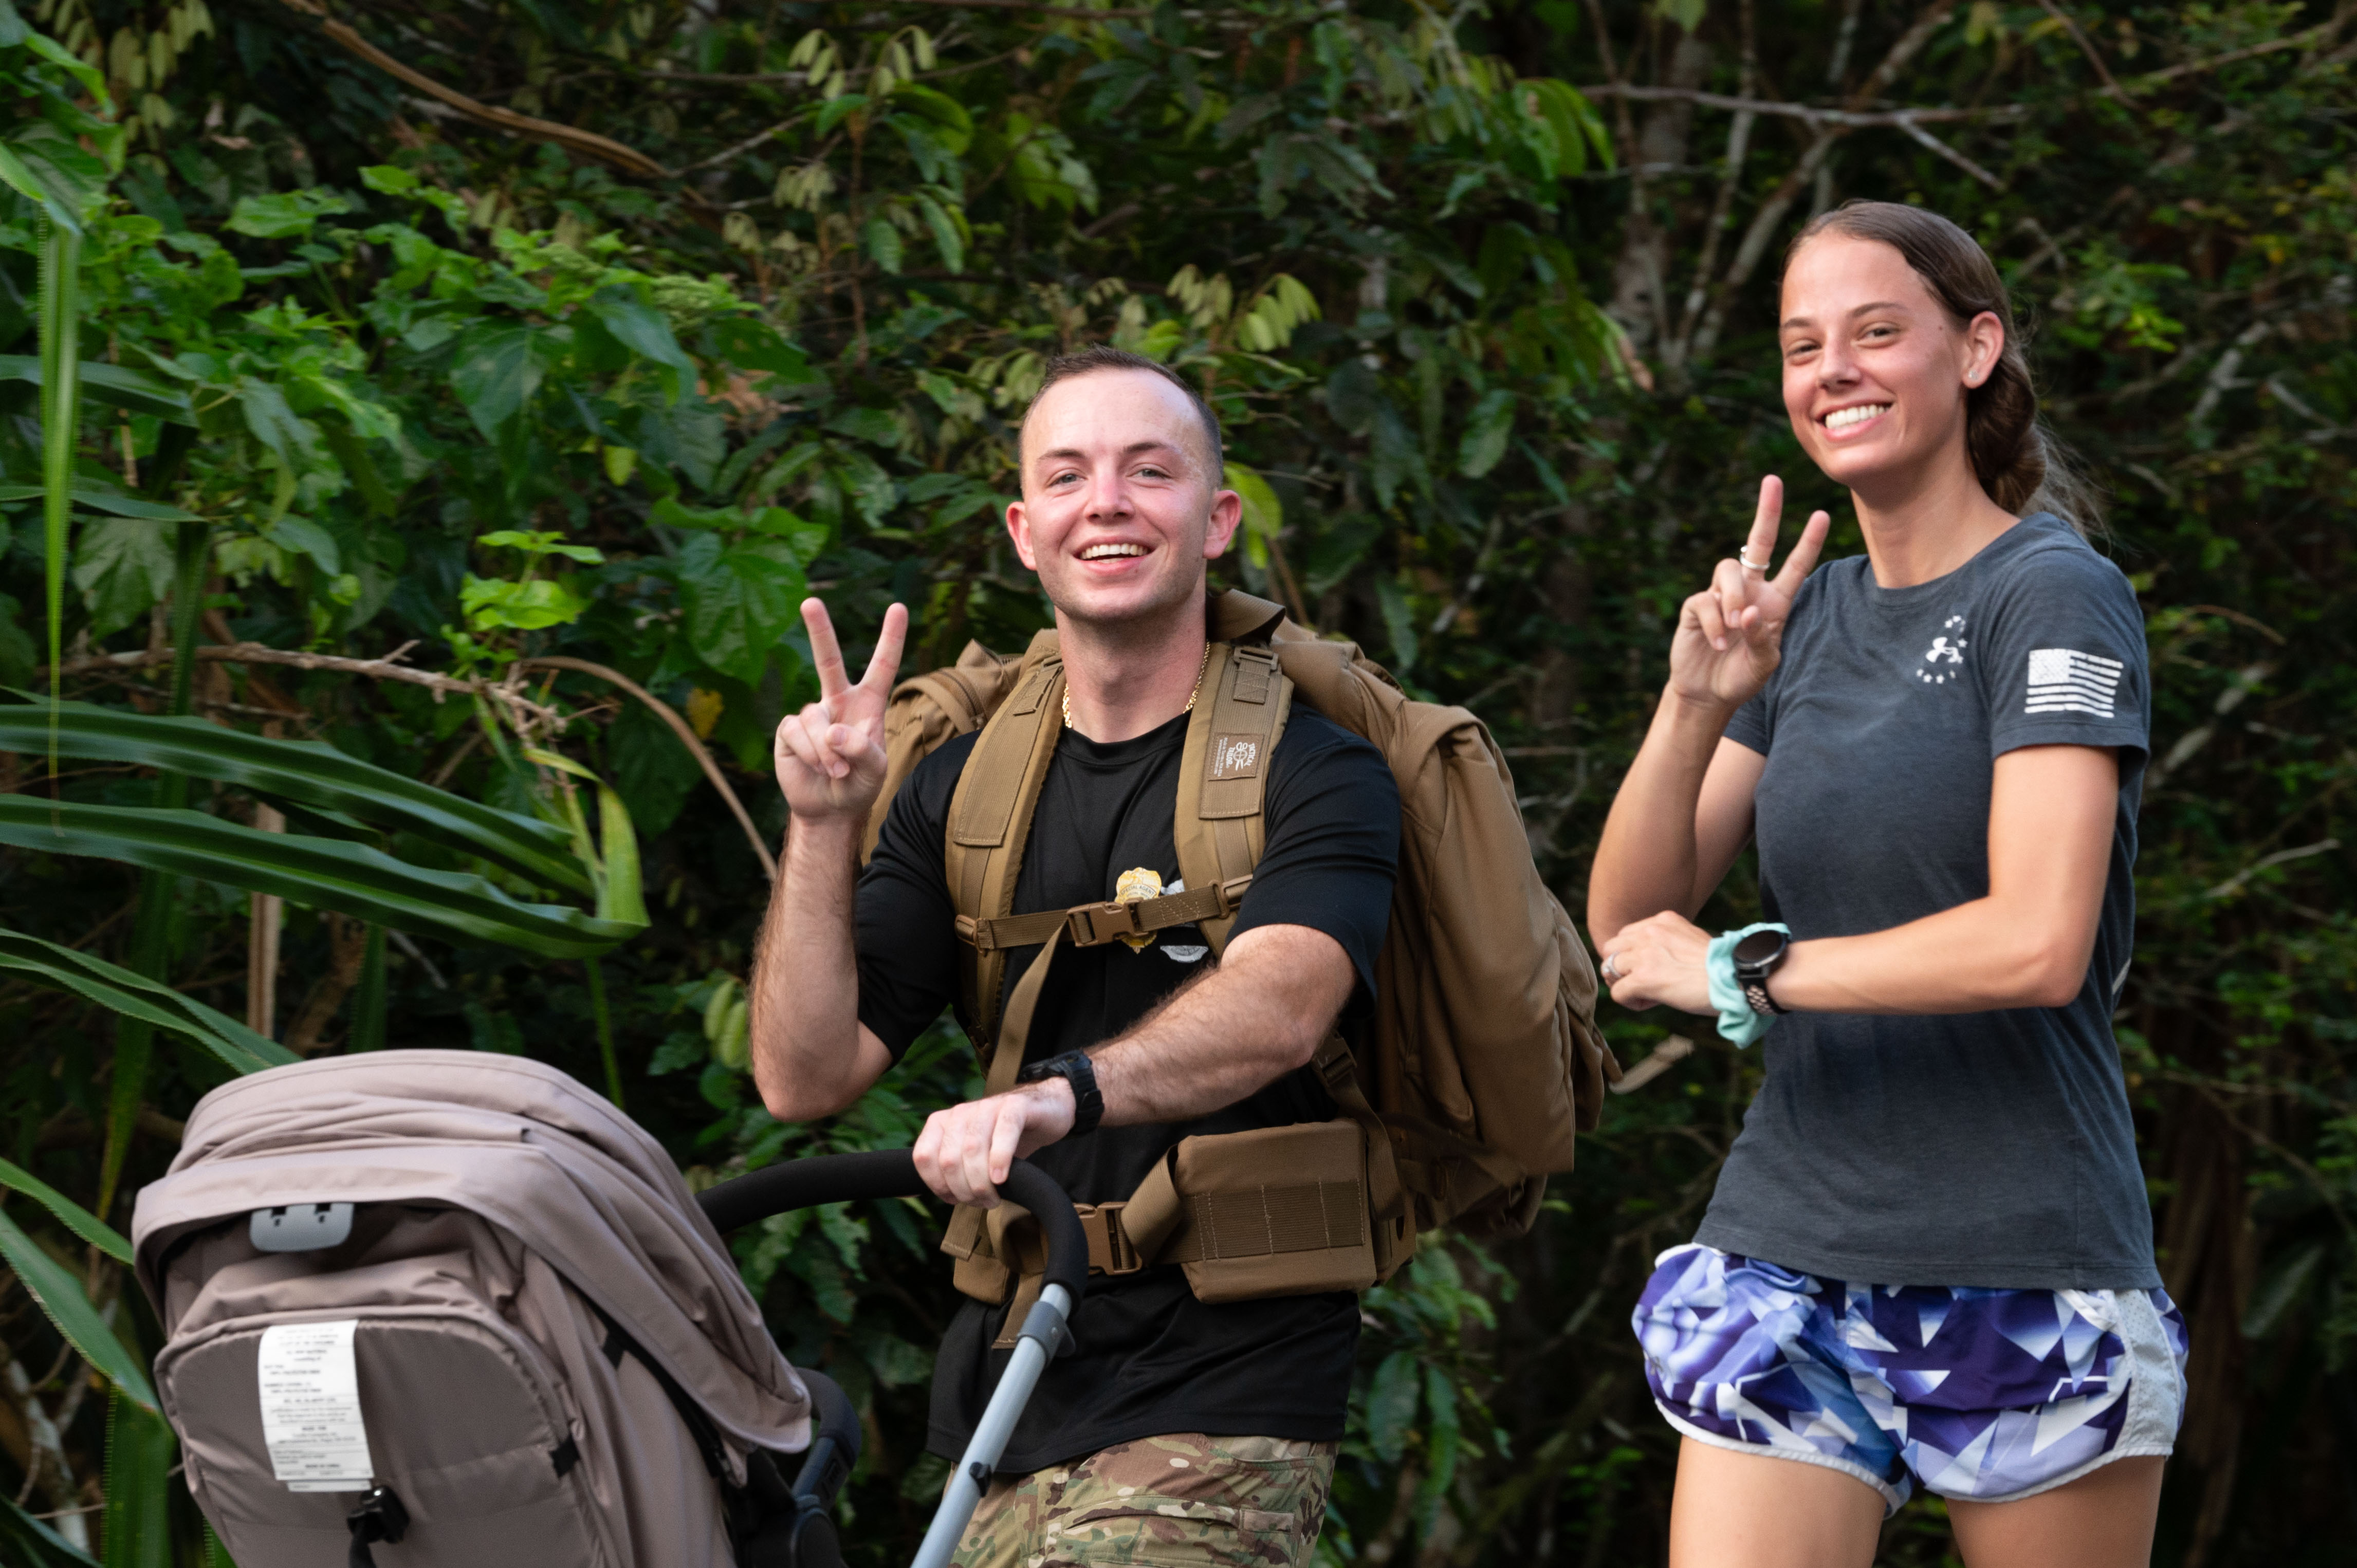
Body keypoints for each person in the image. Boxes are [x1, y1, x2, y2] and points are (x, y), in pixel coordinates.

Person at [1586, 201, 2186, 1568]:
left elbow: (2037, 941)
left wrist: (1744, 969)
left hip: (2024, 1256)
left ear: (1974, 349)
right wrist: (1695, 703)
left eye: (1875, 331)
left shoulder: (2054, 592)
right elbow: (1629, 922)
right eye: (1802, 345)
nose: (1831, 371)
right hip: (1786, 1246)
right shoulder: (1807, 615)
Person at [749, 347, 1400, 1568]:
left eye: (1148, 472)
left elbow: (1283, 1003)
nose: (1105, 500)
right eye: (1069, 475)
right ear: (1023, 530)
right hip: (1015, 1381)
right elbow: (803, 1073)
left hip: (1229, 1375)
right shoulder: (958, 789)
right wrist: (825, 823)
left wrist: (1059, 1094)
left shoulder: (1317, 770)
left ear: (1214, 522)